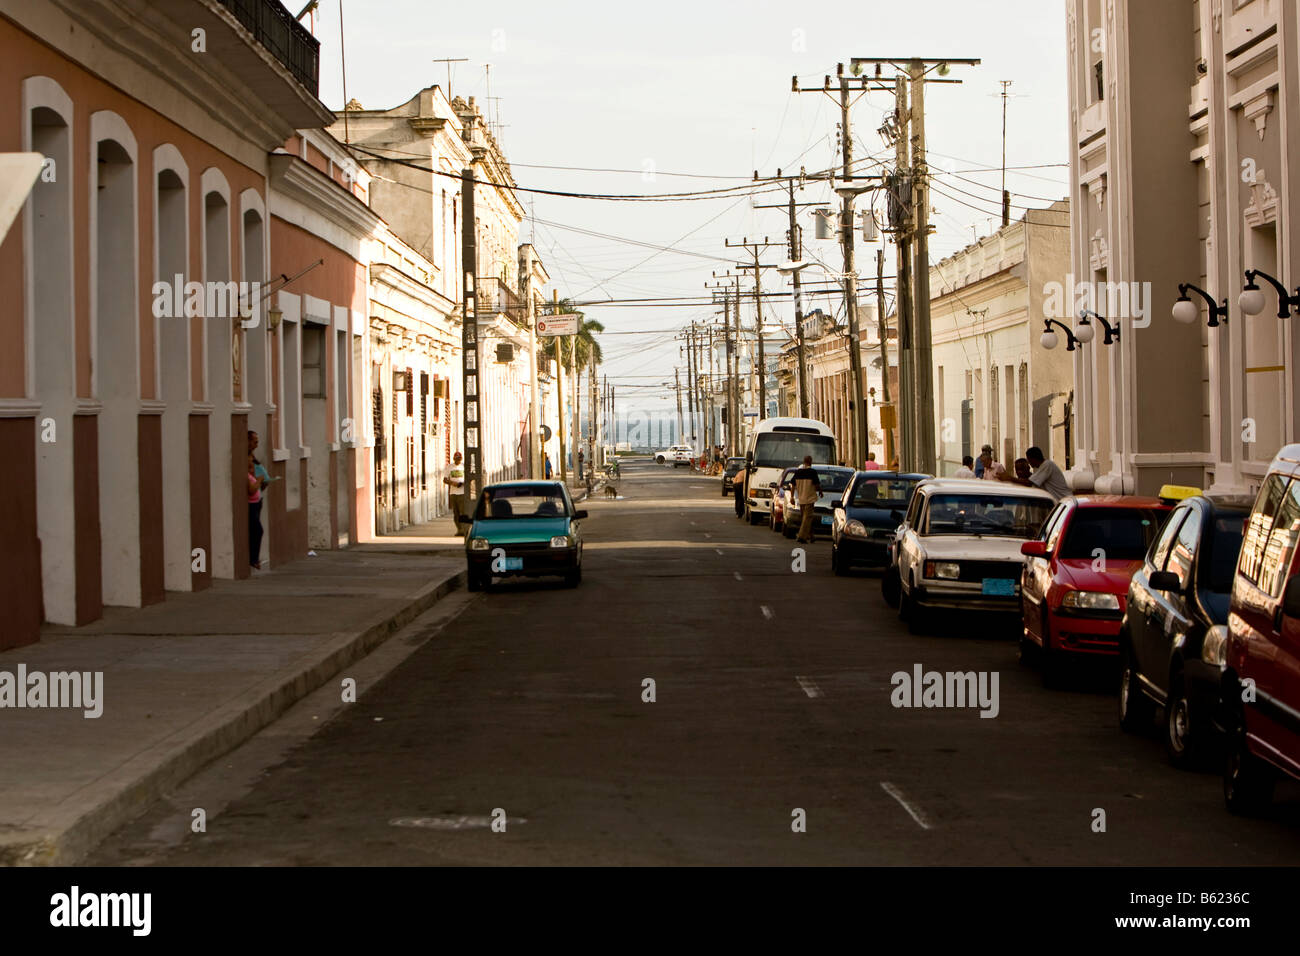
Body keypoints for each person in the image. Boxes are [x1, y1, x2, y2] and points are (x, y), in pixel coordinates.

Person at [1001, 446, 1071, 500]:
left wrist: (1010, 478)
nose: (1028, 462)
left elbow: (1029, 483)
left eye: (1028, 459)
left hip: (1063, 500)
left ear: (1033, 459)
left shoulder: (1047, 465)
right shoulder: (1042, 468)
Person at [791, 455, 822, 544]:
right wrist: (820, 491)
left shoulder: (798, 472)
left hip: (801, 499)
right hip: (809, 498)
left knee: (806, 519)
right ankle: (802, 537)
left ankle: (811, 536)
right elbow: (816, 485)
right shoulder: (813, 472)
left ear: (804, 462)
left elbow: (793, 485)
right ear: (810, 462)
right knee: (807, 518)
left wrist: (792, 497)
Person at [247, 452, 264, 570]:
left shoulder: (251, 475)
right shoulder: (247, 476)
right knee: (257, 531)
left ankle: (254, 558)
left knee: (256, 531)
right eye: (250, 467)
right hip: (251, 506)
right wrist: (259, 480)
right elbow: (252, 490)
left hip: (256, 504)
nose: (252, 469)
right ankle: (253, 559)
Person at [444, 451, 466, 531]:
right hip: (453, 493)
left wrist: (462, 483)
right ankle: (459, 529)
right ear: (454, 459)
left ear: (461, 459)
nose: (458, 460)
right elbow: (445, 480)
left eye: (459, 459)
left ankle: (464, 529)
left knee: (462, 512)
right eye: (456, 459)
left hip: (462, 492)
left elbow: (468, 478)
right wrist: (453, 483)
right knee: (456, 513)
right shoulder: (449, 467)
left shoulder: (464, 467)